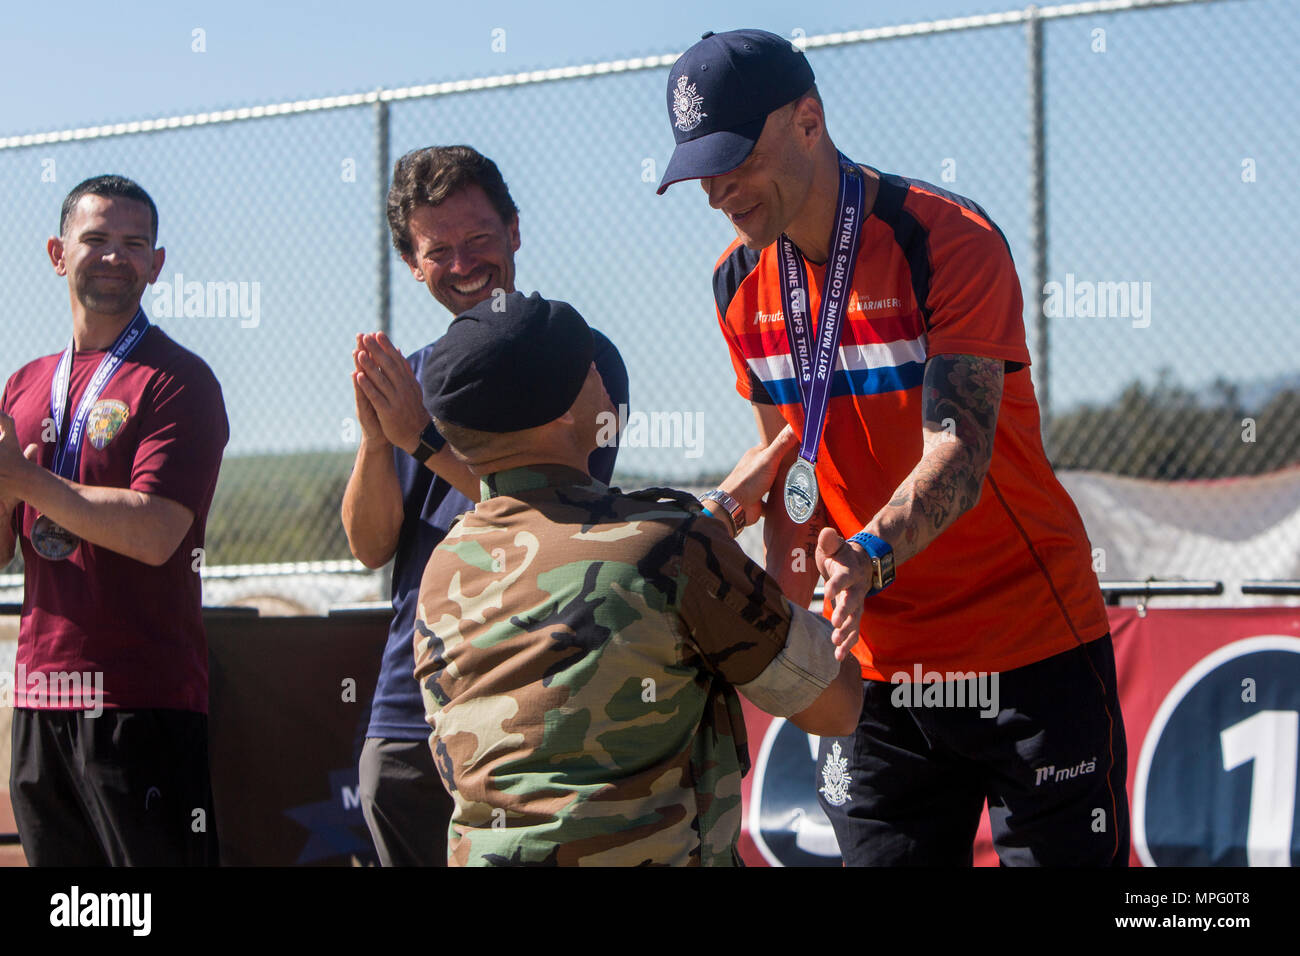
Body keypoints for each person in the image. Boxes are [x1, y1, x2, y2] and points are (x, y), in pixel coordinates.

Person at [656, 29, 1129, 866]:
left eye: (734, 158)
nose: (716, 192)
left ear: (810, 120)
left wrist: (870, 555)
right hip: (872, 673)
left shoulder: (946, 239)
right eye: (699, 167)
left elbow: (962, 452)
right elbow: (789, 479)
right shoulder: (735, 283)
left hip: (1031, 648)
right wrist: (790, 631)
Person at [412, 290, 861, 866]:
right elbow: (833, 706)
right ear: (564, 411)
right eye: (589, 367)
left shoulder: (446, 566)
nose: (605, 377)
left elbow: (587, 567)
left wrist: (717, 515)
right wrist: (800, 566)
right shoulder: (672, 549)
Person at [340, 146, 629, 866]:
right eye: (439, 250)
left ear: (516, 232)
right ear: (412, 262)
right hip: (413, 711)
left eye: (480, 240)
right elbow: (370, 546)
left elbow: (572, 507)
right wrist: (379, 442)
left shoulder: (581, 357)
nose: (464, 264)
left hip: (537, 702)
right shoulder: (407, 376)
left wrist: (421, 437)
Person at [0, 175, 228, 866]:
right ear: (56, 253)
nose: (114, 256)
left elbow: (157, 534)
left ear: (157, 265)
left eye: (134, 243)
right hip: (42, 695)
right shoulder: (23, 384)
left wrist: (29, 480)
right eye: (95, 238)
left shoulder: (178, 380)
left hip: (142, 697)